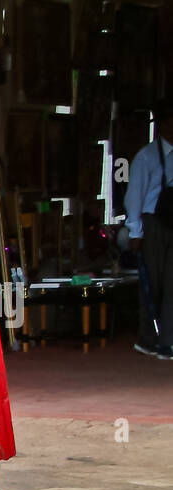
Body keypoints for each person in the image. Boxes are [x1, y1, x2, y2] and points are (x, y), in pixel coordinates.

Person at [126, 97, 173, 360]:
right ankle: (148, 338)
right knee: (152, 283)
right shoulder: (146, 157)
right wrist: (136, 231)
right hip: (154, 222)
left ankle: (168, 341)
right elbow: (135, 195)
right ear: (164, 125)